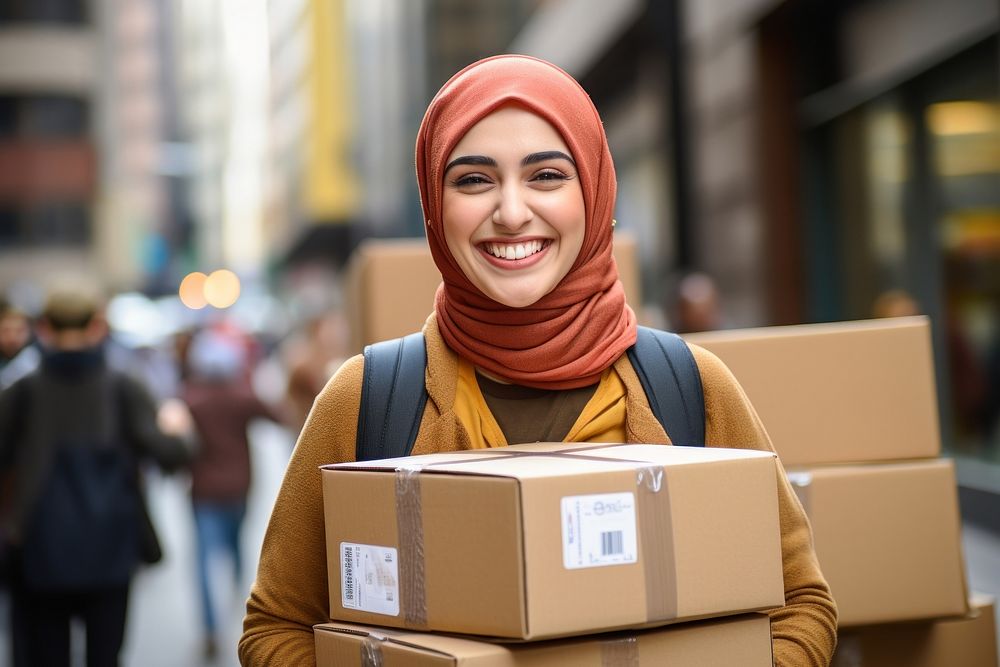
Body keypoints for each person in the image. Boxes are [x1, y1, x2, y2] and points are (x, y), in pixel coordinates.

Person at [239, 55, 837, 666]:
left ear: (595, 189)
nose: (512, 212)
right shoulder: (369, 400)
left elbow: (802, 607)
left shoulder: (689, 387)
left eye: (546, 175)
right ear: (434, 205)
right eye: (473, 180)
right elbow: (275, 629)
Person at [0, 284, 192, 667]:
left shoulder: (21, 391)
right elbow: (171, 455)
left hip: (39, 551)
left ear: (44, 329)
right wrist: (179, 427)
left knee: (44, 654)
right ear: (98, 326)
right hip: (111, 551)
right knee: (106, 656)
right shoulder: (124, 386)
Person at [180, 327, 286, 662]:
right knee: (237, 549)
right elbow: (279, 415)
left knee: (203, 561)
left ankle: (210, 626)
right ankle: (241, 611)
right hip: (239, 487)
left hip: (203, 490)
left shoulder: (189, 399)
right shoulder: (241, 396)